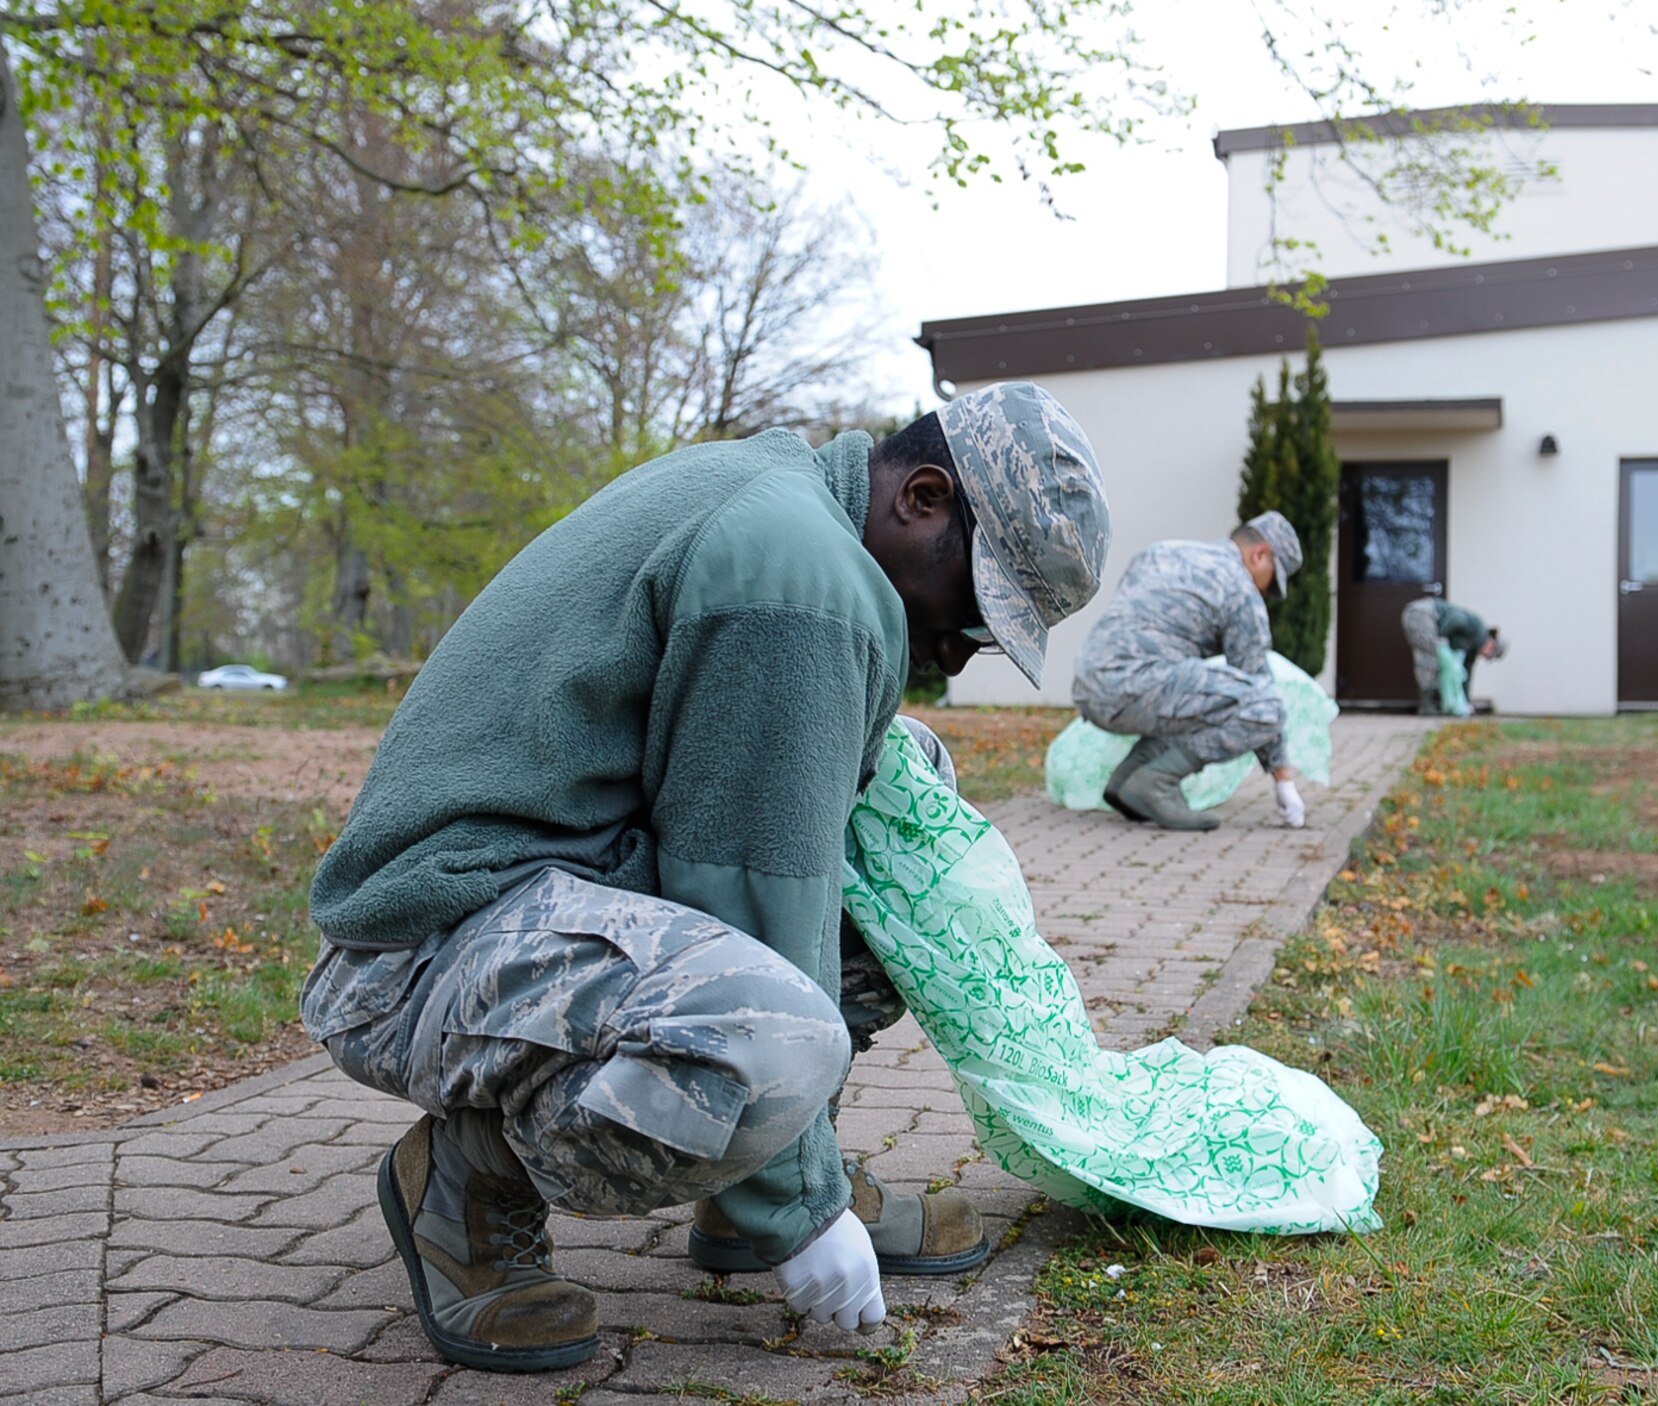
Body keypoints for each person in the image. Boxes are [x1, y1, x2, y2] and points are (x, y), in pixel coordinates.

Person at [301, 383, 1110, 1372]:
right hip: (422, 949)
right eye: (976, 610)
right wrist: (802, 1210)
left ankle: (744, 1181)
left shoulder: (784, 506)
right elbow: (749, 893)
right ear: (923, 498)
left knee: (904, 816)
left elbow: (763, 853)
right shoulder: (801, 578)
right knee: (763, 1035)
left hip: (528, 902)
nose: (955, 652)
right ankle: (469, 1179)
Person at [1071, 509, 1307, 833]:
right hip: (1136, 686)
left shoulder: (1163, 551)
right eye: (1272, 580)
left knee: (1198, 699)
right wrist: (1283, 778)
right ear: (1260, 554)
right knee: (1268, 706)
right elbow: (1258, 688)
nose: (1266, 592)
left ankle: (1127, 779)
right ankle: (1156, 783)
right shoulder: (1241, 589)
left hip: (1089, 684)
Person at [1400, 596, 1506, 715]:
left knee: (1437, 658)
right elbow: (1457, 619)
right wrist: (1442, 636)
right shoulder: (1479, 631)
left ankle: (1431, 704)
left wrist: (1466, 702)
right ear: (1492, 645)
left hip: (1424, 615)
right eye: (1488, 655)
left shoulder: (1473, 647)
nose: (1484, 656)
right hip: (1423, 613)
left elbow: (1466, 673)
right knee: (1432, 656)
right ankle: (1426, 705)